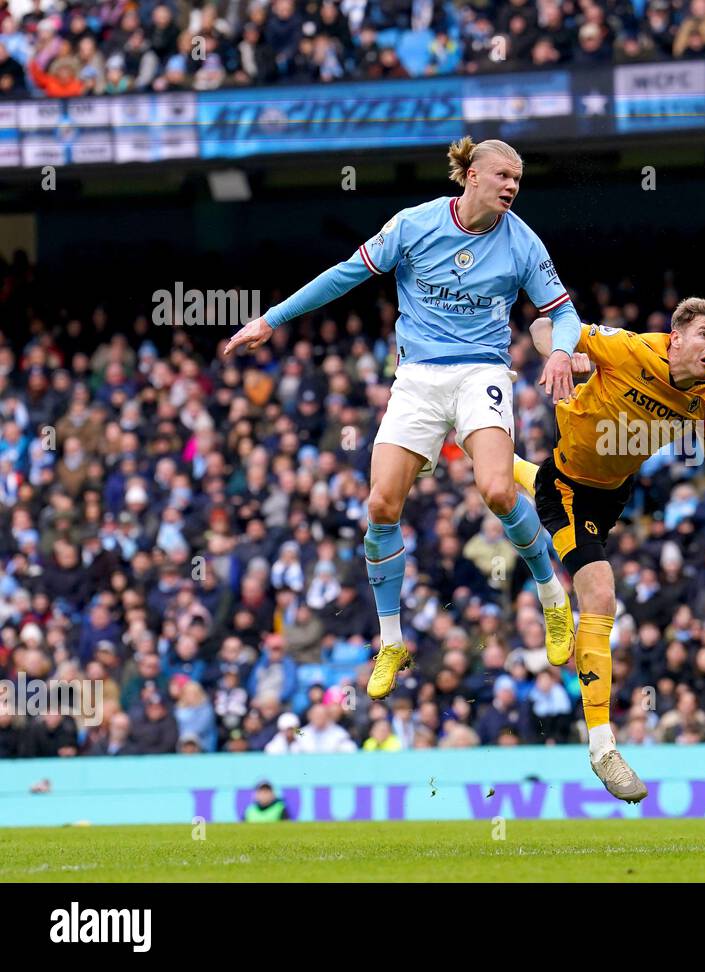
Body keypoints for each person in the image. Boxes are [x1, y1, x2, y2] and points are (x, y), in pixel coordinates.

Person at [223, 136, 583, 700]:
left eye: (518, 177)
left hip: (480, 373)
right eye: (502, 175)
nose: (512, 185)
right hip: (416, 380)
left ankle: (552, 594)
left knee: (494, 487)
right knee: (380, 505)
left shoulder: (522, 242)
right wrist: (273, 318)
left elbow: (563, 313)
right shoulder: (414, 225)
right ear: (470, 176)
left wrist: (561, 350)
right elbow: (346, 274)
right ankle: (391, 639)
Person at [516, 298, 705, 802]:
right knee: (600, 597)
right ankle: (603, 747)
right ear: (677, 336)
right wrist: (560, 352)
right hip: (568, 485)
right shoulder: (624, 348)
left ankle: (489, 453)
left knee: (531, 490)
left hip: (614, 492)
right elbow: (542, 324)